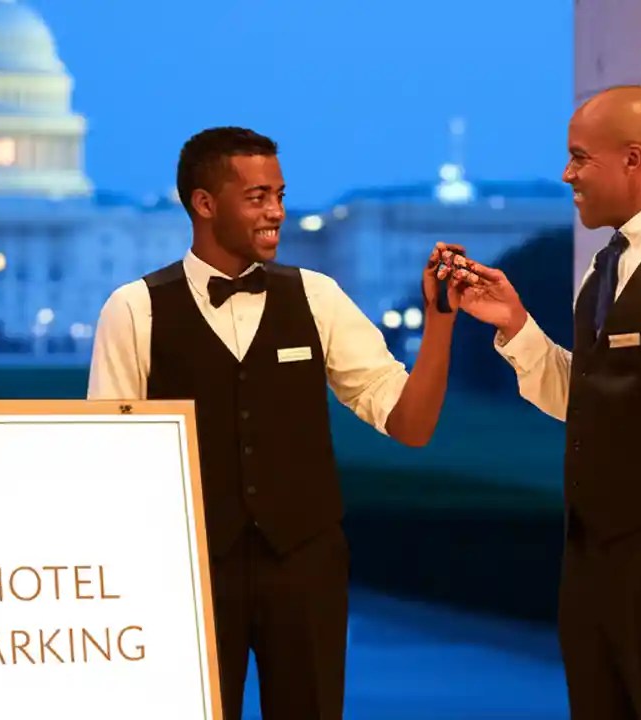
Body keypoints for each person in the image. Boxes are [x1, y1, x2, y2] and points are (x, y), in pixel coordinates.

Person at [87, 126, 460, 719]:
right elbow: (109, 461)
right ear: (204, 204)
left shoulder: (318, 296)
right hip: (187, 573)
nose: (277, 212)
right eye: (257, 197)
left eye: (280, 195)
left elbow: (410, 426)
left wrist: (440, 322)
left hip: (306, 567)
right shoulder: (133, 310)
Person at [450, 85, 641, 718]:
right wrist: (515, 325)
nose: (568, 175)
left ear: (633, 160)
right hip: (590, 572)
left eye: (579, 158)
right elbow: (589, 402)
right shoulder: (602, 268)